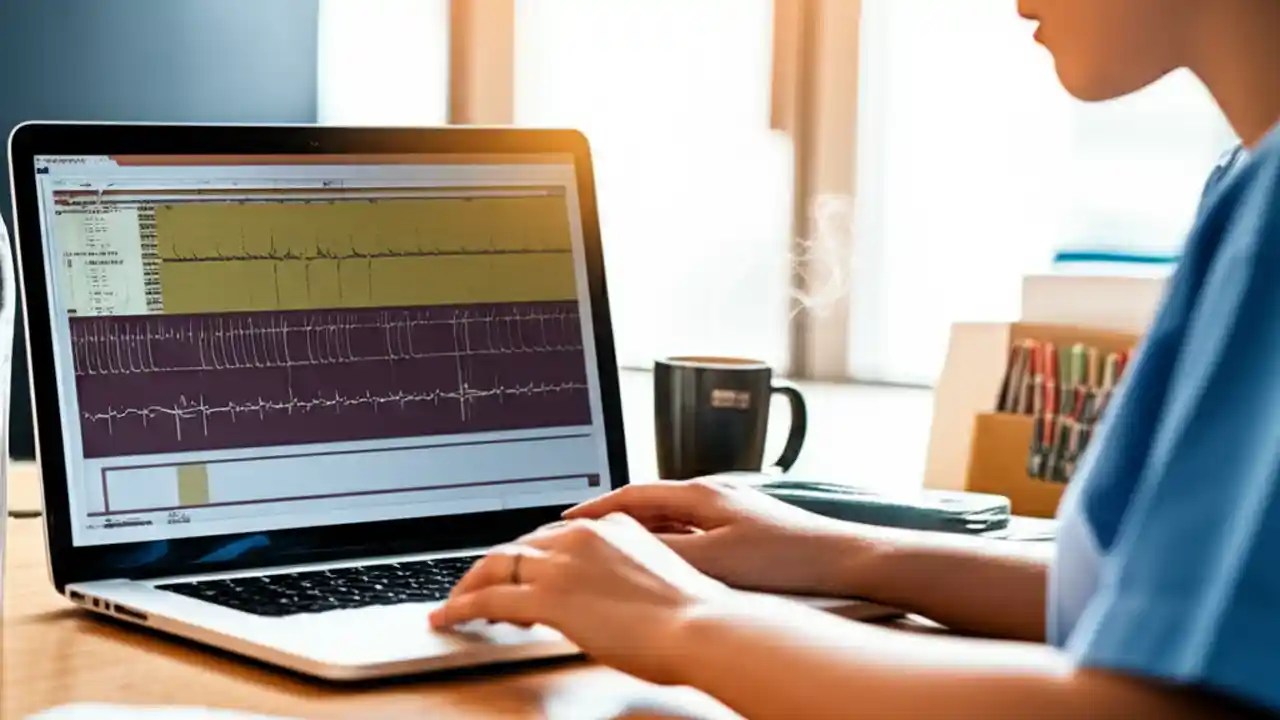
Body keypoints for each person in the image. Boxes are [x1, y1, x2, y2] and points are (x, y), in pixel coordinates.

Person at [430, 0, 1280, 716]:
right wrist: (835, 552)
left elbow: (1157, 706)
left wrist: (679, 621)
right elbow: (1153, 608)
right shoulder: (1246, 178)